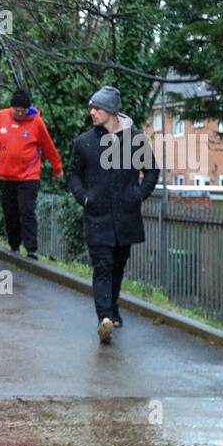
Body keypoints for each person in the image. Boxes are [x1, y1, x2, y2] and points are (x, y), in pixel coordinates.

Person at [67, 86, 158, 343]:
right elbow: (73, 173)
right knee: (103, 265)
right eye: (91, 108)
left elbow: (152, 171)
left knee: (118, 265)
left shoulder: (135, 140)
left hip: (126, 217)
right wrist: (84, 197)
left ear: (111, 110)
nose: (92, 112)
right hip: (96, 217)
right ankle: (104, 317)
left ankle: (112, 307)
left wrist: (138, 194)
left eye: (97, 108)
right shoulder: (84, 142)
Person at [0, 87, 62, 259]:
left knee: (26, 210)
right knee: (10, 211)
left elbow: (48, 147)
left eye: (22, 111)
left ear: (28, 108)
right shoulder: (1, 117)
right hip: (6, 175)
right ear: (11, 108)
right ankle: (14, 245)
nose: (19, 113)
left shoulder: (36, 122)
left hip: (28, 176)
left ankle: (31, 249)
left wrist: (57, 168)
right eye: (16, 110)